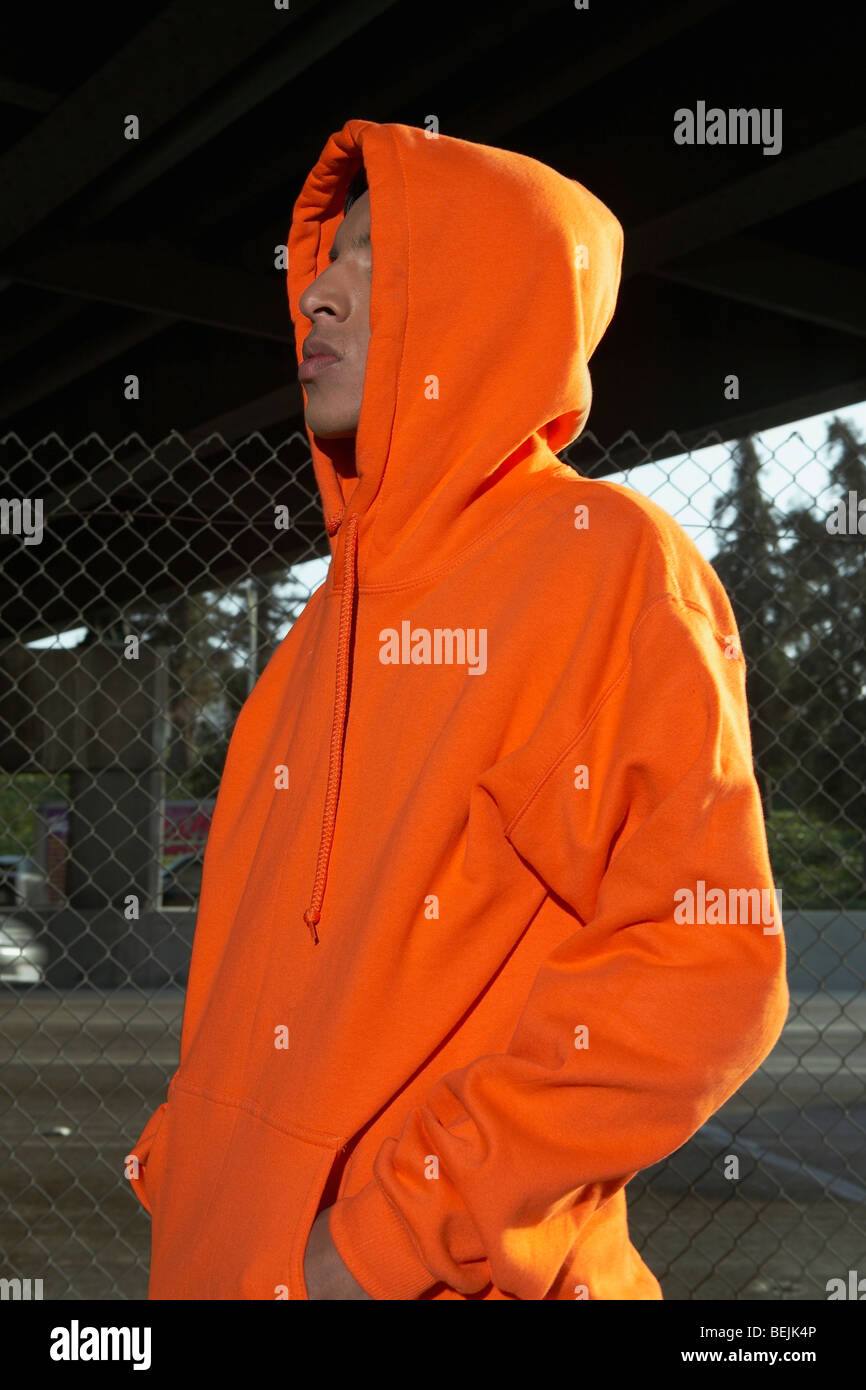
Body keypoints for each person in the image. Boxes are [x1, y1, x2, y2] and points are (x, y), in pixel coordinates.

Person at [126, 118, 789, 1301]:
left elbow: (703, 960)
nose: (316, 295)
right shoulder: (310, 640)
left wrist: (386, 1244)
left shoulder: (593, 564)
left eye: (378, 257)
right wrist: (195, 1173)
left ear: (490, 298)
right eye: (322, 260)